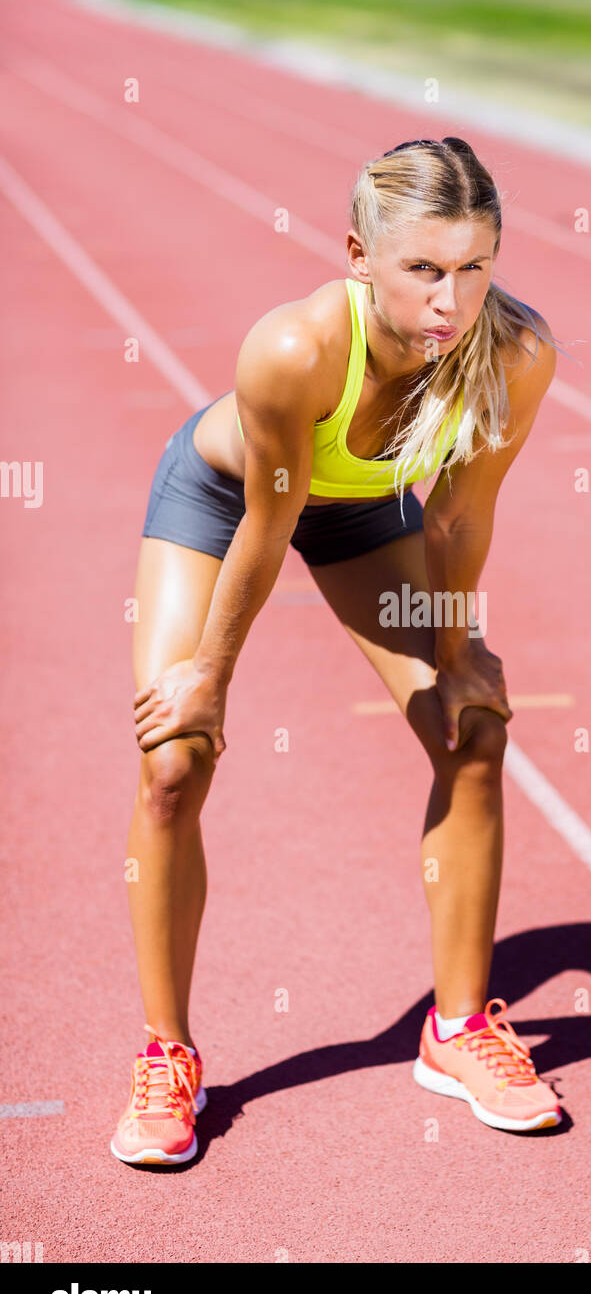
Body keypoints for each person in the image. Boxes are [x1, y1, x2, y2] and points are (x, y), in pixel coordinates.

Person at [112, 136, 562, 1165]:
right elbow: (266, 530)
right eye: (423, 269)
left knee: (473, 730)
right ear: (359, 254)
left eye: (475, 266)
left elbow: (456, 518)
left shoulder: (513, 353)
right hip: (227, 502)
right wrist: (207, 680)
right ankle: (166, 1052)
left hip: (363, 518)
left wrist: (455, 654)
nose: (452, 299)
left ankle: (455, 1032)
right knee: (173, 762)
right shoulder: (293, 349)